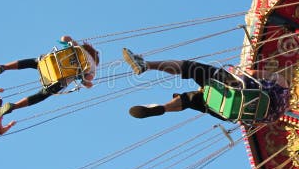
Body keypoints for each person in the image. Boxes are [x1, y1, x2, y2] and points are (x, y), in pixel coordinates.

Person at [121, 49, 289, 122]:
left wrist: (236, 72)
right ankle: (163, 108)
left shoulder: (282, 83)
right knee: (191, 100)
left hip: (235, 87)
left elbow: (252, 73)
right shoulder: (277, 114)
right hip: (228, 112)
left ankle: (146, 65)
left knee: (190, 68)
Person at [0, 36, 99, 118]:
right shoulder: (93, 68)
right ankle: (14, 106)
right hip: (58, 80)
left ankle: (3, 67)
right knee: (41, 95)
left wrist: (72, 43)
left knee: (30, 62)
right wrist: (84, 82)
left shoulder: (79, 48)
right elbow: (89, 82)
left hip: (48, 63)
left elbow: (64, 38)